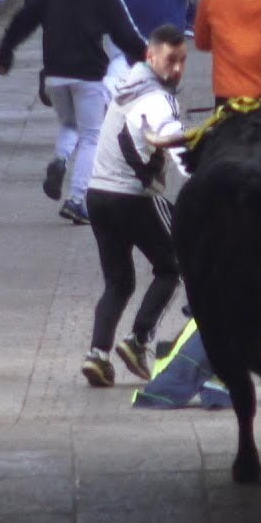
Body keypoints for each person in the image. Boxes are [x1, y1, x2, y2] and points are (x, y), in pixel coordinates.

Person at [0, 0, 148, 224]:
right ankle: (77, 200)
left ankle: (61, 158)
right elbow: (125, 35)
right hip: (89, 75)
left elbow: (23, 19)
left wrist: (5, 51)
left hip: (55, 74)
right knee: (92, 137)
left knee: (70, 124)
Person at [81, 24, 190, 386]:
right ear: (151, 56)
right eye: (170, 60)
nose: (176, 69)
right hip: (131, 196)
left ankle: (97, 356)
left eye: (183, 61)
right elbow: (170, 136)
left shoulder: (130, 81)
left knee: (119, 282)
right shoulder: (157, 99)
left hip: (97, 195)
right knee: (174, 263)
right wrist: (197, 171)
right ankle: (138, 340)